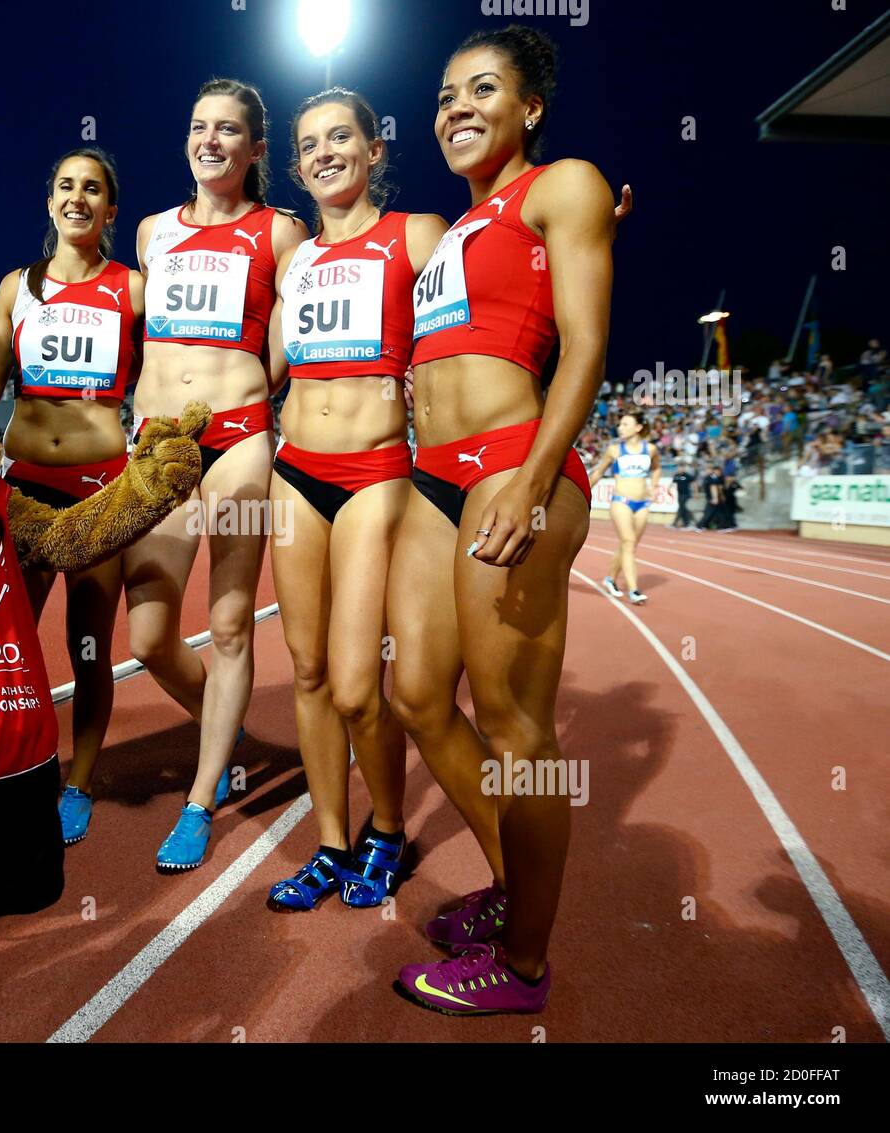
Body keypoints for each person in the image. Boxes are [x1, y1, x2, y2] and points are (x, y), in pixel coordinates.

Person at [390, 24, 615, 1016]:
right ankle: (505, 888)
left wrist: (528, 477)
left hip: (509, 464)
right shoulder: (459, 225)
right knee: (415, 696)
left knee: (516, 724)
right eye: (443, 95)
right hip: (430, 476)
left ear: (529, 107)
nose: (456, 109)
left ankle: (523, 963)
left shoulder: (562, 183)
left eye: (482, 90)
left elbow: (584, 344)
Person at [262, 88, 447, 911]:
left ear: (376, 151)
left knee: (354, 683)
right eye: (310, 143)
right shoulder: (294, 257)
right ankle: (332, 844)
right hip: (293, 466)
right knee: (305, 670)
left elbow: (476, 319)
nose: (325, 151)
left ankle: (389, 829)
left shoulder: (415, 234)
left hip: (376, 473)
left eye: (342, 137)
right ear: (297, 164)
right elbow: (266, 370)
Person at [124, 78, 308, 871]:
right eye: (200, 126)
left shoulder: (281, 233)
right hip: (159, 447)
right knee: (151, 633)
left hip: (238, 441)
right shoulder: (151, 232)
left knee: (230, 624)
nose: (211, 140)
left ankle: (201, 800)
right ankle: (220, 722)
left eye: (229, 131)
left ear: (254, 149)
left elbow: (285, 353)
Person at [0, 148, 141, 846]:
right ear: (50, 201)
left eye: (93, 189)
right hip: (25, 489)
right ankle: (10, 768)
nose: (78, 197)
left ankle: (78, 783)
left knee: (88, 647)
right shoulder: (17, 287)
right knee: (5, 643)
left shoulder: (132, 289)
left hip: (100, 489)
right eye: (66, 186)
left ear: (111, 209)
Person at [590, 412, 659, 604]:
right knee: (628, 542)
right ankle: (634, 591)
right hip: (621, 502)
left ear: (638, 428)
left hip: (643, 503)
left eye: (625, 424)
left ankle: (610, 579)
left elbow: (657, 468)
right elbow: (598, 472)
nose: (620, 427)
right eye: (619, 424)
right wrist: (583, 491)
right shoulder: (614, 450)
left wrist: (653, 486)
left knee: (628, 545)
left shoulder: (651, 449)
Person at [672, 460, 696, 528]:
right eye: (679, 467)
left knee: (681, 508)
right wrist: (669, 489)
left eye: (682, 467)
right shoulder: (676, 475)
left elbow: (694, 483)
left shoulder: (687, 475)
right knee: (684, 509)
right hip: (679, 494)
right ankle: (687, 523)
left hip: (686, 494)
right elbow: (673, 483)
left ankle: (674, 523)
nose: (680, 469)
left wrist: (695, 492)